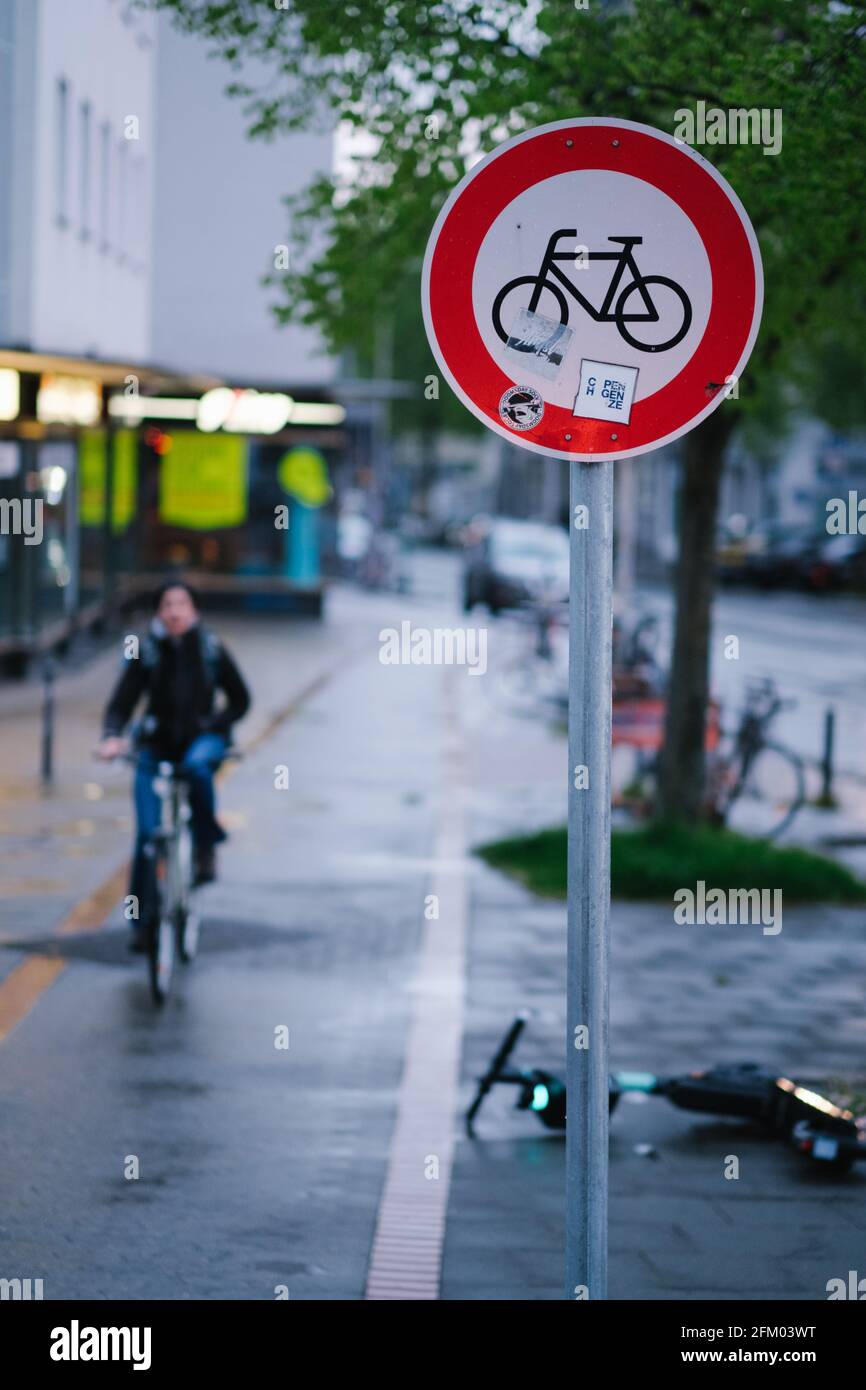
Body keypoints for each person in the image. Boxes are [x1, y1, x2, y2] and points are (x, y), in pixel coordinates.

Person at [97, 581, 250, 950]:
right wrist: (112, 736)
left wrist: (215, 725)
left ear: (194, 610)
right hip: (155, 747)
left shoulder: (211, 648)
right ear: (158, 612)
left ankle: (205, 845)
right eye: (167, 605)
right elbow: (121, 702)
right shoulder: (147, 651)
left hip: (202, 741)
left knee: (199, 769)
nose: (175, 611)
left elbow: (241, 700)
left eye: (182, 604)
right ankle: (139, 922)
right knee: (147, 837)